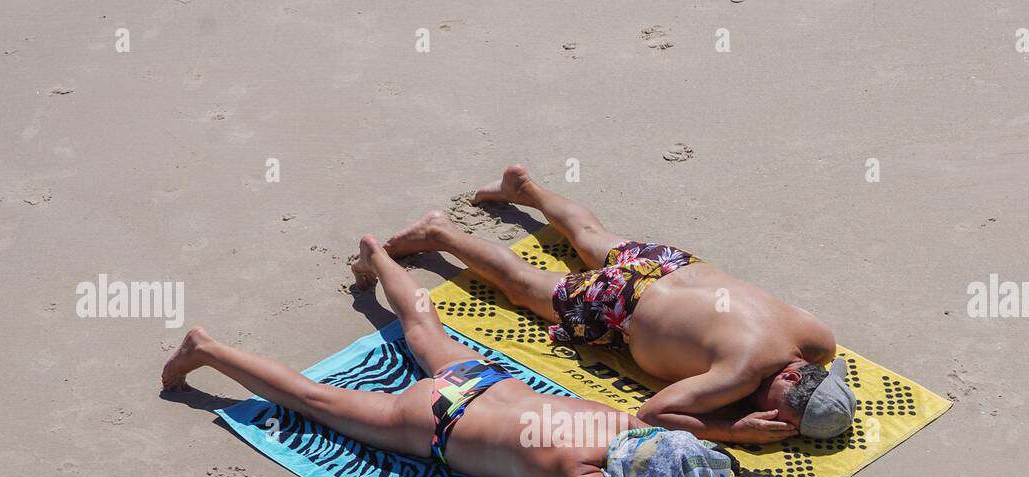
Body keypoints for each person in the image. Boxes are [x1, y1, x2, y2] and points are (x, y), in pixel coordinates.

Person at [359, 163, 856, 446]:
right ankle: (439, 232)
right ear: (791, 377)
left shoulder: (818, 340)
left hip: (674, 266)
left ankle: (525, 188)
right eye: (782, 415)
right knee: (523, 283)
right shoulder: (741, 375)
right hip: (622, 304)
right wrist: (734, 429)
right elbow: (654, 413)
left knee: (589, 235)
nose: (773, 421)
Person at [161, 236, 643, 477]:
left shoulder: (625, 425)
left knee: (422, 325)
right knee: (313, 399)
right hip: (436, 423)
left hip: (485, 381)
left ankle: (377, 255)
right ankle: (207, 349)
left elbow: (678, 428)